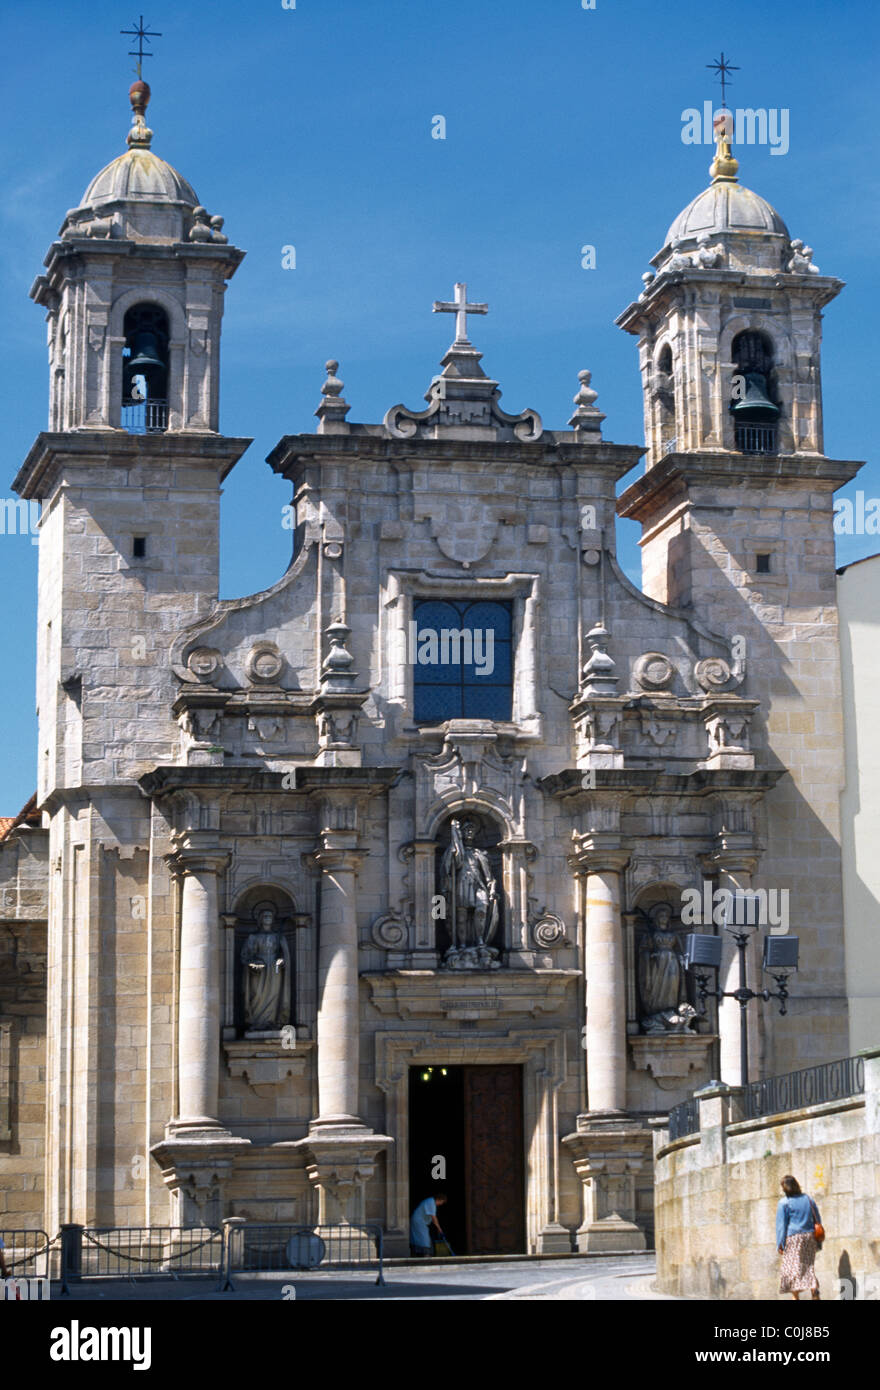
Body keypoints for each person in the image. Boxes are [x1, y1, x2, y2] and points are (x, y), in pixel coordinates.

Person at [776, 1174, 822, 1300]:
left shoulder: (784, 1202)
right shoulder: (808, 1199)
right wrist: (818, 1241)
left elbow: (781, 1225)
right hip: (809, 1237)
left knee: (790, 1270)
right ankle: (814, 1291)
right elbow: (817, 1218)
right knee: (808, 1266)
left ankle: (795, 1298)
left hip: (794, 1239)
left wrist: (780, 1243)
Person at [410, 1193, 447, 1257]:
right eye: (442, 1202)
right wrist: (439, 1228)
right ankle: (426, 1254)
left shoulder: (431, 1202)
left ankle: (424, 1254)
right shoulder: (431, 1202)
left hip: (420, 1222)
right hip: (419, 1221)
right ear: (439, 1200)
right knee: (424, 1239)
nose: (441, 1204)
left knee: (422, 1238)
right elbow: (433, 1217)